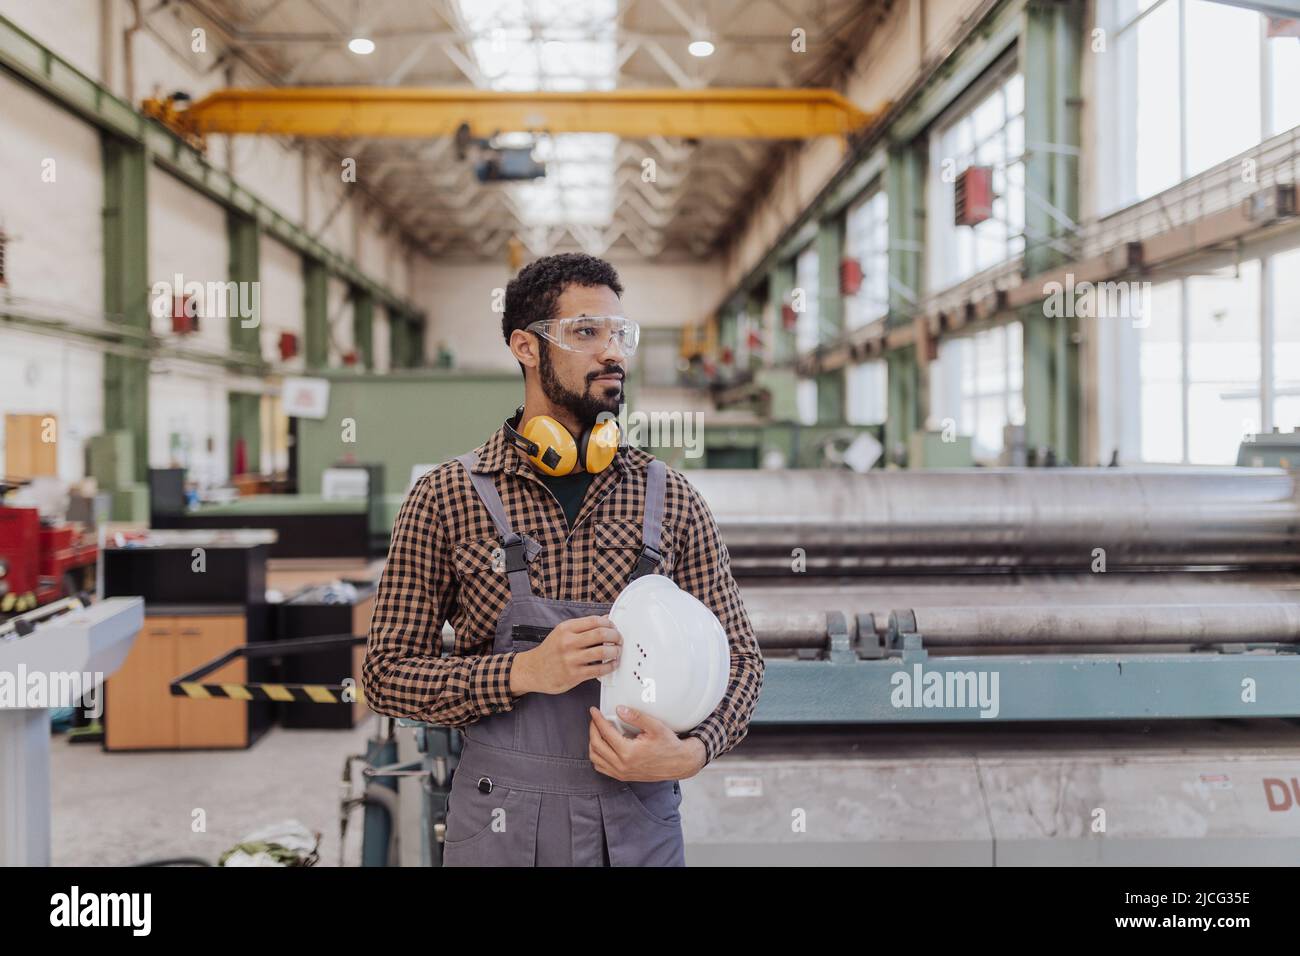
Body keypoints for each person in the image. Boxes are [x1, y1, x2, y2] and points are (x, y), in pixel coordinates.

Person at [362, 252, 764, 866]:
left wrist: (692, 752)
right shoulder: (446, 497)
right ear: (526, 347)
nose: (613, 352)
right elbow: (385, 674)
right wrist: (522, 673)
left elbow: (741, 658)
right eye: (586, 332)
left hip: (638, 823)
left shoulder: (672, 498)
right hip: (500, 827)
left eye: (620, 333)